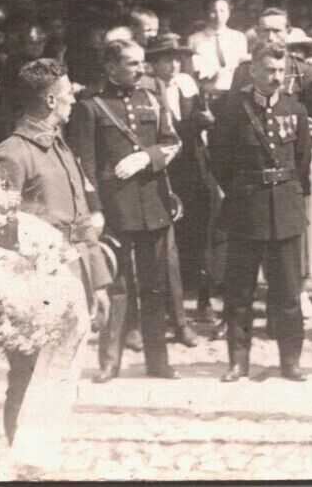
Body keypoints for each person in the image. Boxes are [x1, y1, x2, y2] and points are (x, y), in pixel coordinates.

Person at [0, 58, 111, 474]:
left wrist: (97, 284)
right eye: (67, 92)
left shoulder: (59, 144)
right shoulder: (13, 153)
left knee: (59, 378)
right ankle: (23, 464)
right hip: (33, 287)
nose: (73, 97)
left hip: (72, 277)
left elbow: (80, 224)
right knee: (27, 378)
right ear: (48, 98)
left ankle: (39, 461)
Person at [66, 39, 181, 381]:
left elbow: (172, 141)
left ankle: (158, 361)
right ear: (111, 66)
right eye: (132, 64)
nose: (141, 69)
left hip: (153, 204)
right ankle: (109, 361)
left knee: (155, 285)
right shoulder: (91, 106)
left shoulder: (152, 98)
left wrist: (146, 157)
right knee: (117, 287)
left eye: (141, 63)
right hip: (116, 208)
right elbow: (83, 165)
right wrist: (95, 210)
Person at [209, 41, 312, 382]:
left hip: (284, 210)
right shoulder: (231, 110)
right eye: (269, 71)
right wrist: (244, 190)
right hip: (246, 211)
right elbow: (218, 161)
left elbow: (301, 161)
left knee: (287, 292)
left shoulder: (295, 110)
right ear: (254, 70)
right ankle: (238, 360)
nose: (276, 77)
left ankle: (290, 361)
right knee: (240, 292)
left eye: (281, 71)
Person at [146, 34, 218, 327]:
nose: (174, 64)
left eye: (177, 58)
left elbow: (202, 119)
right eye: (166, 59)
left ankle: (204, 299)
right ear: (154, 63)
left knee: (202, 232)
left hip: (192, 167)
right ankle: (167, 305)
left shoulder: (189, 85)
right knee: (166, 238)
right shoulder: (148, 91)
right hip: (163, 170)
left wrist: (204, 119)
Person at [189, 0, 249, 93]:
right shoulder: (194, 39)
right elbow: (191, 73)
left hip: (234, 93)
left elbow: (243, 69)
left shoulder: (239, 38)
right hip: (206, 93)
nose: (218, 15)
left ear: (229, 12)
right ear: (205, 13)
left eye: (222, 11)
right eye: (213, 11)